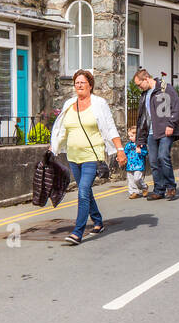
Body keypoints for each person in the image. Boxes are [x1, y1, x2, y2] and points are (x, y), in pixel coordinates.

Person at [50, 69, 125, 244]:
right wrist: (53, 147)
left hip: (92, 154)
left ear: (90, 85)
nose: (79, 85)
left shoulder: (99, 103)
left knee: (83, 190)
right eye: (77, 82)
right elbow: (62, 128)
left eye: (83, 82)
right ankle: (98, 221)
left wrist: (119, 149)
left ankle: (78, 231)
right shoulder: (69, 103)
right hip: (73, 156)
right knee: (86, 191)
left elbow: (110, 126)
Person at [131, 68, 179, 201]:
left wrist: (171, 125)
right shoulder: (144, 95)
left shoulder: (165, 88)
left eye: (139, 84)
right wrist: (140, 140)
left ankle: (170, 187)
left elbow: (176, 107)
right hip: (150, 133)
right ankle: (159, 189)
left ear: (146, 78)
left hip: (165, 130)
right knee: (154, 162)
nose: (138, 88)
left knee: (163, 157)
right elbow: (143, 118)